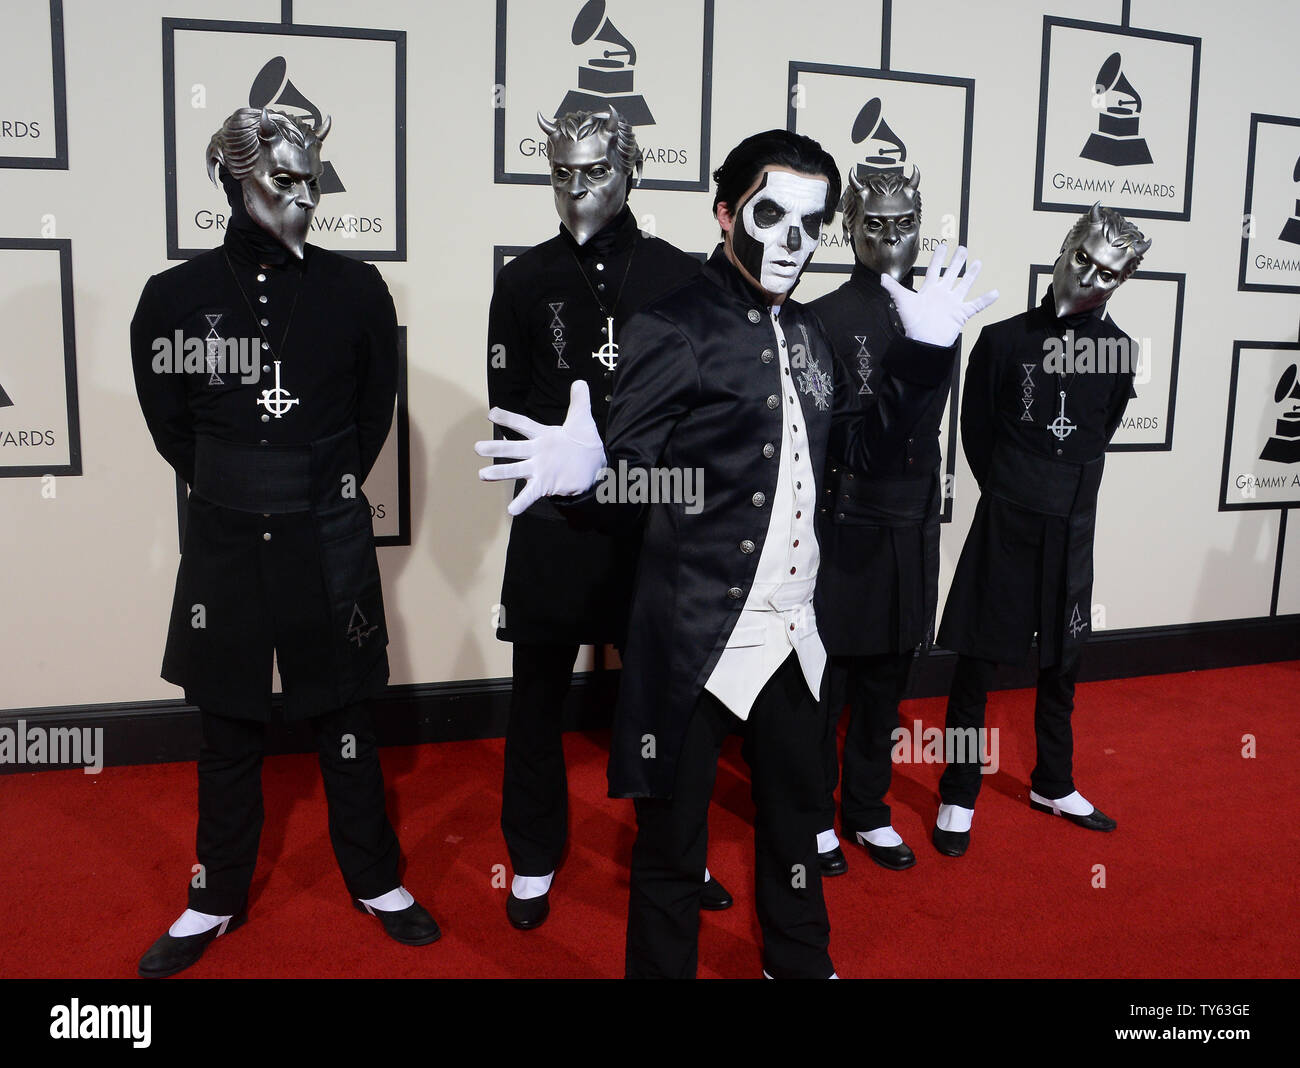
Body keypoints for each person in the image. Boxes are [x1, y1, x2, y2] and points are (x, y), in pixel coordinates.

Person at [476, 129, 996, 977]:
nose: (793, 240)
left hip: (795, 635)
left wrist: (923, 358)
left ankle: (797, 960)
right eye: (770, 214)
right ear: (725, 215)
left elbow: (856, 458)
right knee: (674, 846)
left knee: (795, 824)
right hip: (691, 638)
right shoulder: (671, 327)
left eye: (811, 222)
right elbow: (635, 487)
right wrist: (592, 475)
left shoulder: (811, 334)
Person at [130, 106, 438, 978]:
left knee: (344, 714)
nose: (306, 198)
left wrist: (315, 488)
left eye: (313, 181)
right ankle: (213, 896)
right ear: (236, 181)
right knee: (226, 722)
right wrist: (241, 485)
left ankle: (376, 880)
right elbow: (171, 426)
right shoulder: (175, 298)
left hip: (327, 523)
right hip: (225, 535)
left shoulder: (356, 290)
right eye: (284, 182)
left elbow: (371, 415)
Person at [487, 106, 731, 929]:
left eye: (594, 171)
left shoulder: (681, 275)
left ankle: (677, 853)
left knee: (670, 699)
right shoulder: (521, 281)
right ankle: (530, 856)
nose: (577, 189)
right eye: (561, 172)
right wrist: (562, 464)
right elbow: (508, 418)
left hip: (653, 519)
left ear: (631, 172)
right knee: (536, 697)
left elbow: (705, 411)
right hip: (556, 524)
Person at [932, 202, 1150, 857]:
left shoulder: (1119, 353)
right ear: (1063, 249)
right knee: (976, 663)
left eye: (1108, 274)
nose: (1089, 277)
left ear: (1122, 283)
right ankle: (958, 792)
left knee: (1063, 663)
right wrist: (1015, 491)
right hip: (1006, 521)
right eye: (1083, 258)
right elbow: (976, 435)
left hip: (1073, 527)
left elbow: (1099, 433)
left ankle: (1053, 781)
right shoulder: (1001, 341)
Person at [809, 165, 955, 875]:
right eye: (875, 223)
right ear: (849, 228)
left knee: (887, 684)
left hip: (914, 522)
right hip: (845, 519)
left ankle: (867, 810)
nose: (891, 238)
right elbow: (836, 436)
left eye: (904, 224)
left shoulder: (941, 308)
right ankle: (812, 816)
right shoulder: (824, 316)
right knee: (828, 681)